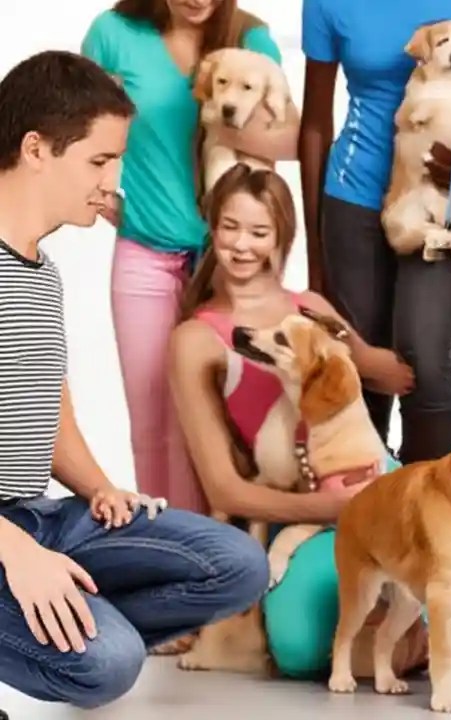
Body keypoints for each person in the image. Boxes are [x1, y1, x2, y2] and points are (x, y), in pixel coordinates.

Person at [0, 50, 268, 709]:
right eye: (99, 160)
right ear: (36, 149)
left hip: (38, 518)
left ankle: (61, 608)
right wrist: (14, 551)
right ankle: (55, 617)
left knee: (238, 565)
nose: (114, 181)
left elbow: (46, 410)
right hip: (7, 534)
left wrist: (98, 489)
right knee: (111, 664)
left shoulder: (42, 273)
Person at [166, 164, 431, 679]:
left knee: (399, 590)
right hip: (301, 509)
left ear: (282, 236)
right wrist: (327, 507)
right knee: (296, 649)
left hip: (373, 489)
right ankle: (398, 632)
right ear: (212, 227)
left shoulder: (310, 309)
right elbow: (224, 492)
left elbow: (373, 368)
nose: (243, 245)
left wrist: (426, 347)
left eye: (260, 232)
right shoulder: (195, 341)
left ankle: (415, 626)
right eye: (230, 227)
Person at [299, 0, 451, 465]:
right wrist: (315, 255)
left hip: (450, 201)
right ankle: (357, 509)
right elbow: (314, 124)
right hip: (353, 198)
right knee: (359, 365)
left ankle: (424, 503)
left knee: (424, 359)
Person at [81, 0, 297, 515]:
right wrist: (107, 199)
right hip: (145, 254)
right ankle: (172, 551)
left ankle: (236, 564)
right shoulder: (113, 34)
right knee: (154, 421)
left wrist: (220, 119)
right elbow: (79, 129)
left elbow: (291, 138)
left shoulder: (251, 38)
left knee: (240, 417)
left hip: (234, 261)